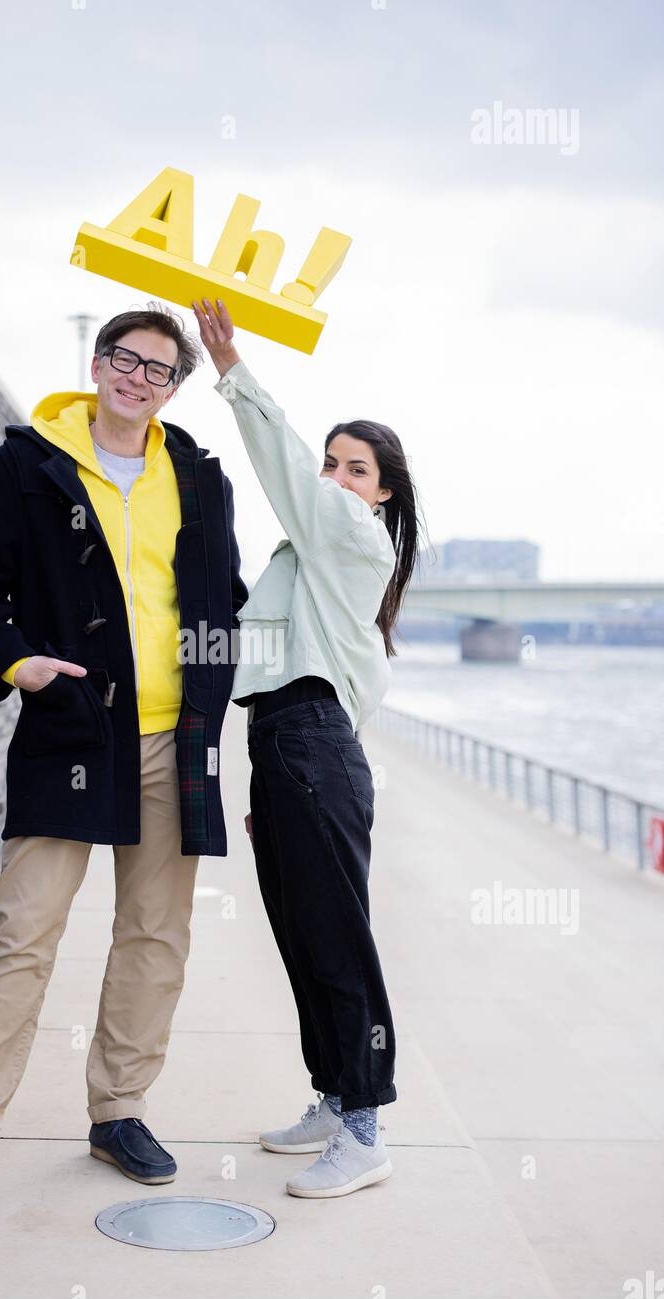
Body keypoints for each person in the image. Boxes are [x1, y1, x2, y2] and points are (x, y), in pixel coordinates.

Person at [0, 302, 247, 1207]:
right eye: (124, 359)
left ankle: (119, 1111)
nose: (138, 377)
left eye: (159, 369)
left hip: (179, 738)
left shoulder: (202, 478)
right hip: (70, 732)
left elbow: (223, 600)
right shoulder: (27, 465)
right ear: (97, 364)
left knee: (155, 935)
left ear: (175, 388)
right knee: (22, 931)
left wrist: (219, 701)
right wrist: (21, 667)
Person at [192, 296, 421, 1199]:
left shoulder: (349, 533)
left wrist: (232, 371)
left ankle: (364, 1132)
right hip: (290, 746)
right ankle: (332, 1097)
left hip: (312, 745)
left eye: (353, 467)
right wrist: (268, 786)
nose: (331, 475)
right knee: (300, 936)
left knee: (337, 941)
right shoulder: (311, 552)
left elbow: (278, 461)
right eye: (329, 463)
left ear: (382, 493)